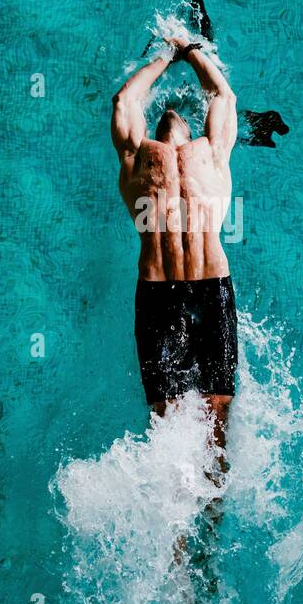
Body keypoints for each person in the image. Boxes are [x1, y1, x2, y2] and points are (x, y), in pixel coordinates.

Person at [110, 32, 238, 484]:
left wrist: (193, 52)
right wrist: (166, 54)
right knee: (167, 426)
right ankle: (177, 546)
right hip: (159, 296)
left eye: (176, 116)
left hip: (210, 291)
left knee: (215, 426)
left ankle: (211, 524)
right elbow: (126, 97)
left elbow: (222, 94)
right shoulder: (136, 158)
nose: (169, 116)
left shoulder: (213, 154)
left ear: (190, 128)